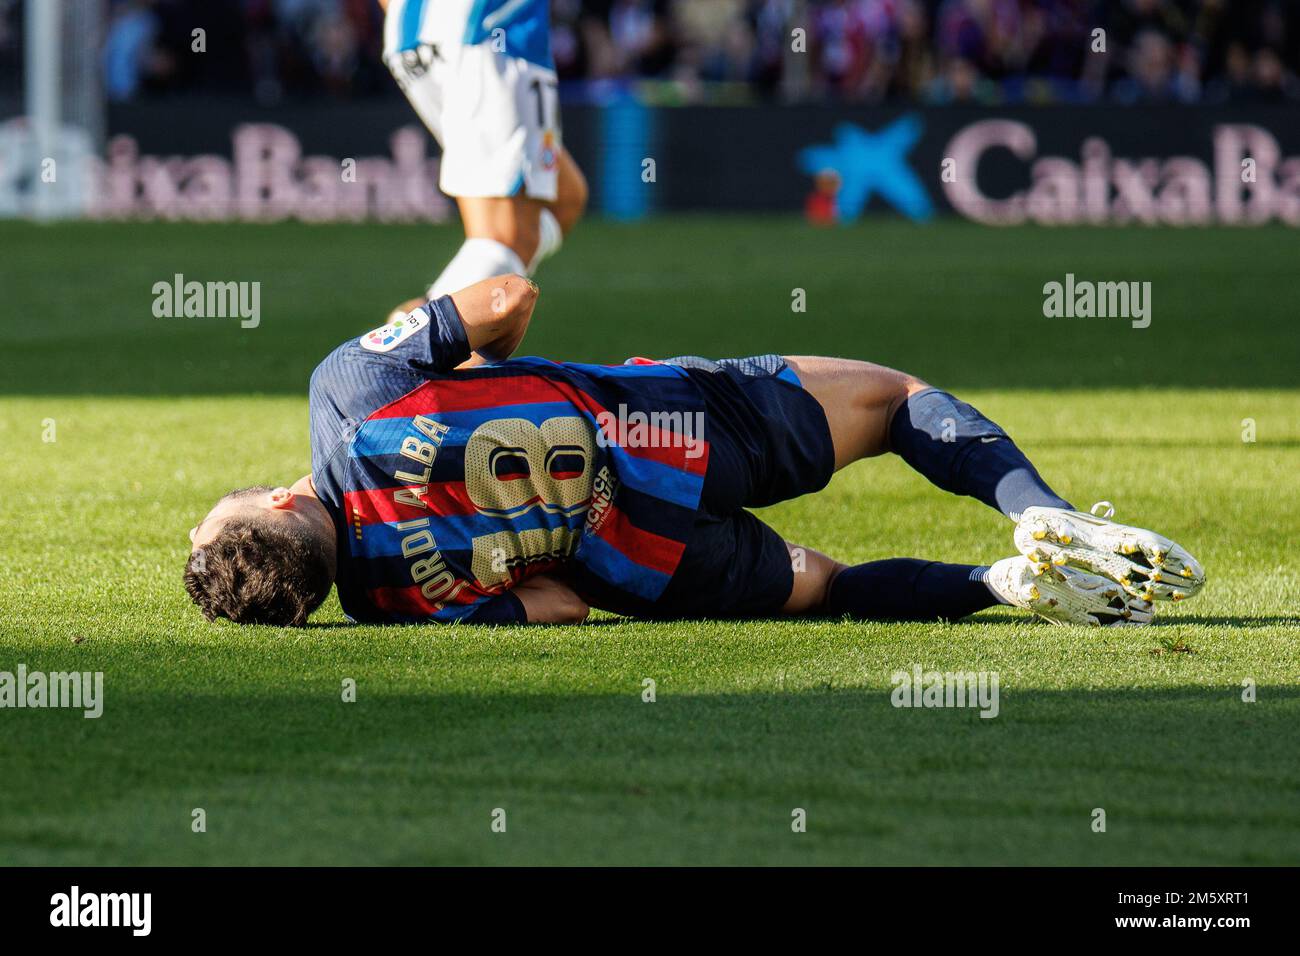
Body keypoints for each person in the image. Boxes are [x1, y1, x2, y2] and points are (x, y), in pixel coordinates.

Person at [184, 274, 1205, 628]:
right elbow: (508, 297)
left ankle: (998, 583)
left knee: (828, 587)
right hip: (665, 427)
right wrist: (487, 362)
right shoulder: (347, 395)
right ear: (277, 503)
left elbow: (558, 606)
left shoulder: (382, 602)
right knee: (896, 400)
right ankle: (1034, 510)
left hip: (643, 563)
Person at [378, 0, 587, 347]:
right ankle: (403, 355)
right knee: (502, 236)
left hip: (416, 34)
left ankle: (425, 330)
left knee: (565, 197)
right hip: (488, 27)